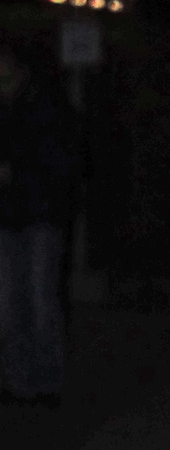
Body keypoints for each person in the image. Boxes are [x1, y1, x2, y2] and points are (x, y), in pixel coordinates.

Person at [0, 39, 80, 406]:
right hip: (8, 216)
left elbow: (58, 158)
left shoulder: (41, 102)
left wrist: (18, 171)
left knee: (39, 298)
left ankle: (48, 382)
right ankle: (20, 381)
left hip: (40, 216)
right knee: (9, 303)